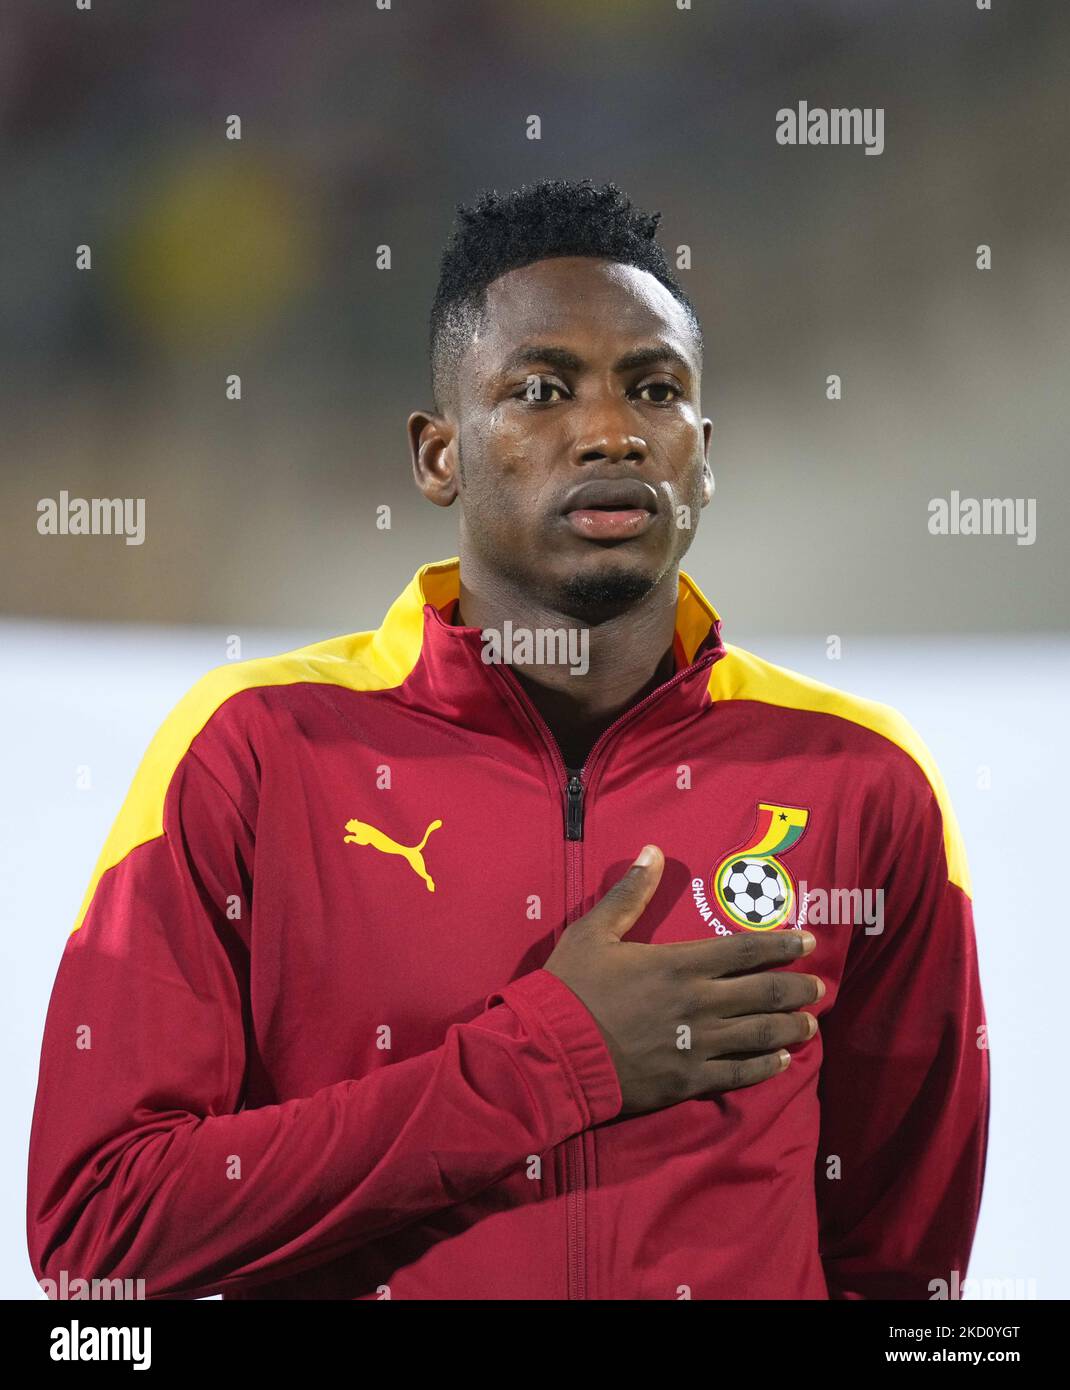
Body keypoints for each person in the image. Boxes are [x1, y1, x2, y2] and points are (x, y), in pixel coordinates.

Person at [27, 178, 989, 1300]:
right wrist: (553, 1059)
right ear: (438, 456)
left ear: (702, 455)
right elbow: (99, 1237)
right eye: (540, 389)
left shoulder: (858, 778)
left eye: (654, 389)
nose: (609, 430)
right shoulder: (254, 747)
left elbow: (901, 1269)